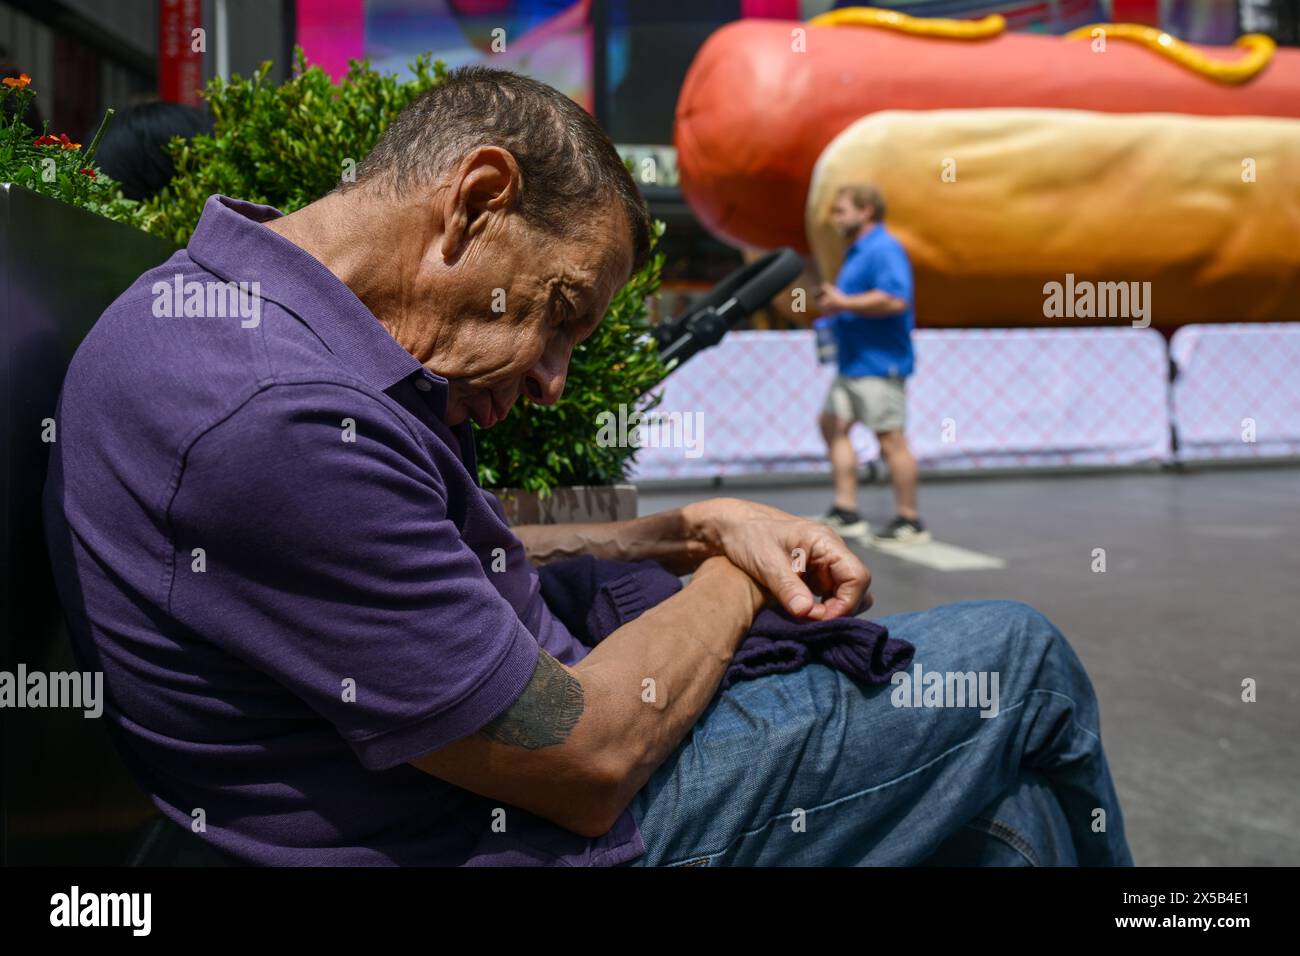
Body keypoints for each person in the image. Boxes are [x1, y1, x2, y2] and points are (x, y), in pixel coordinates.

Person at [43, 66, 1131, 866]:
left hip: (464, 802)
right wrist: (735, 577)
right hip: (539, 836)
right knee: (1016, 657)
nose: (556, 381)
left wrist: (687, 528)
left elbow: (428, 560)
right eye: (560, 312)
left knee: (1010, 816)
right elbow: (590, 757)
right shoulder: (273, 423)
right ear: (476, 199)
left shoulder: (246, 324)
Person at [816, 184, 927, 543]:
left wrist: (843, 303)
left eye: (841, 211)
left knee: (891, 440)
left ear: (866, 212)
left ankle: (909, 520)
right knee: (832, 425)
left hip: (879, 365)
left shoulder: (883, 249)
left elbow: (895, 299)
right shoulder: (857, 251)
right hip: (853, 363)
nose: (835, 219)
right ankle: (846, 509)